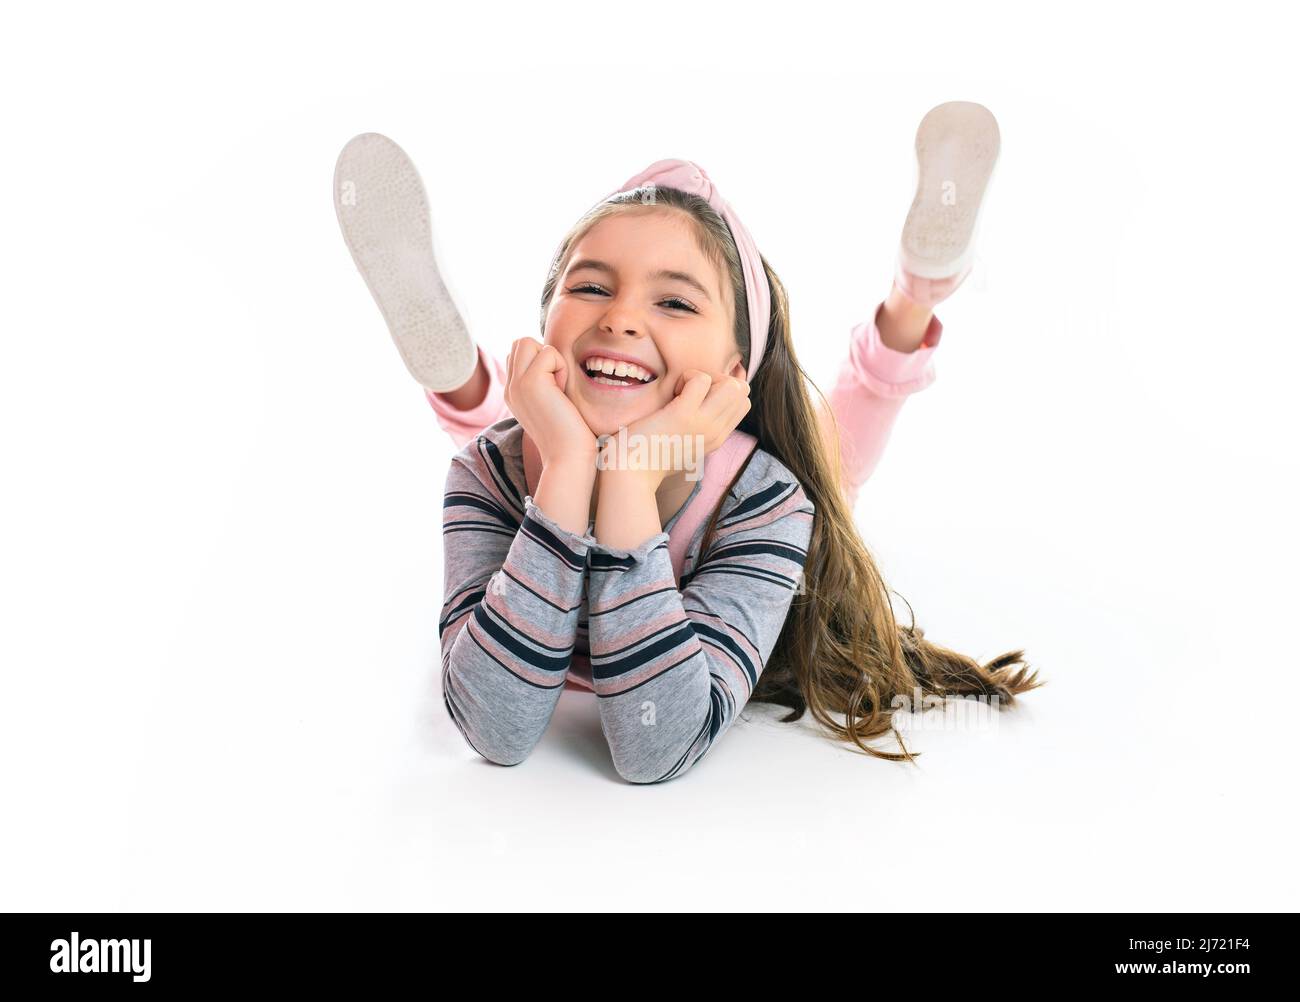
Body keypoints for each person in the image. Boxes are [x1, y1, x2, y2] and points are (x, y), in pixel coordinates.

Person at [333, 101, 1042, 784]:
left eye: (673, 301)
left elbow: (655, 745)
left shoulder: (763, 500)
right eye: (588, 287)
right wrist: (574, 462)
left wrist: (631, 478)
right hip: (534, 444)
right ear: (545, 324)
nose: (619, 317)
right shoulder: (485, 473)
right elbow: (496, 727)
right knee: (510, 437)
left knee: (835, 465)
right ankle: (457, 370)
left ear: (735, 376)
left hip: (721, 471)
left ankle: (914, 294)